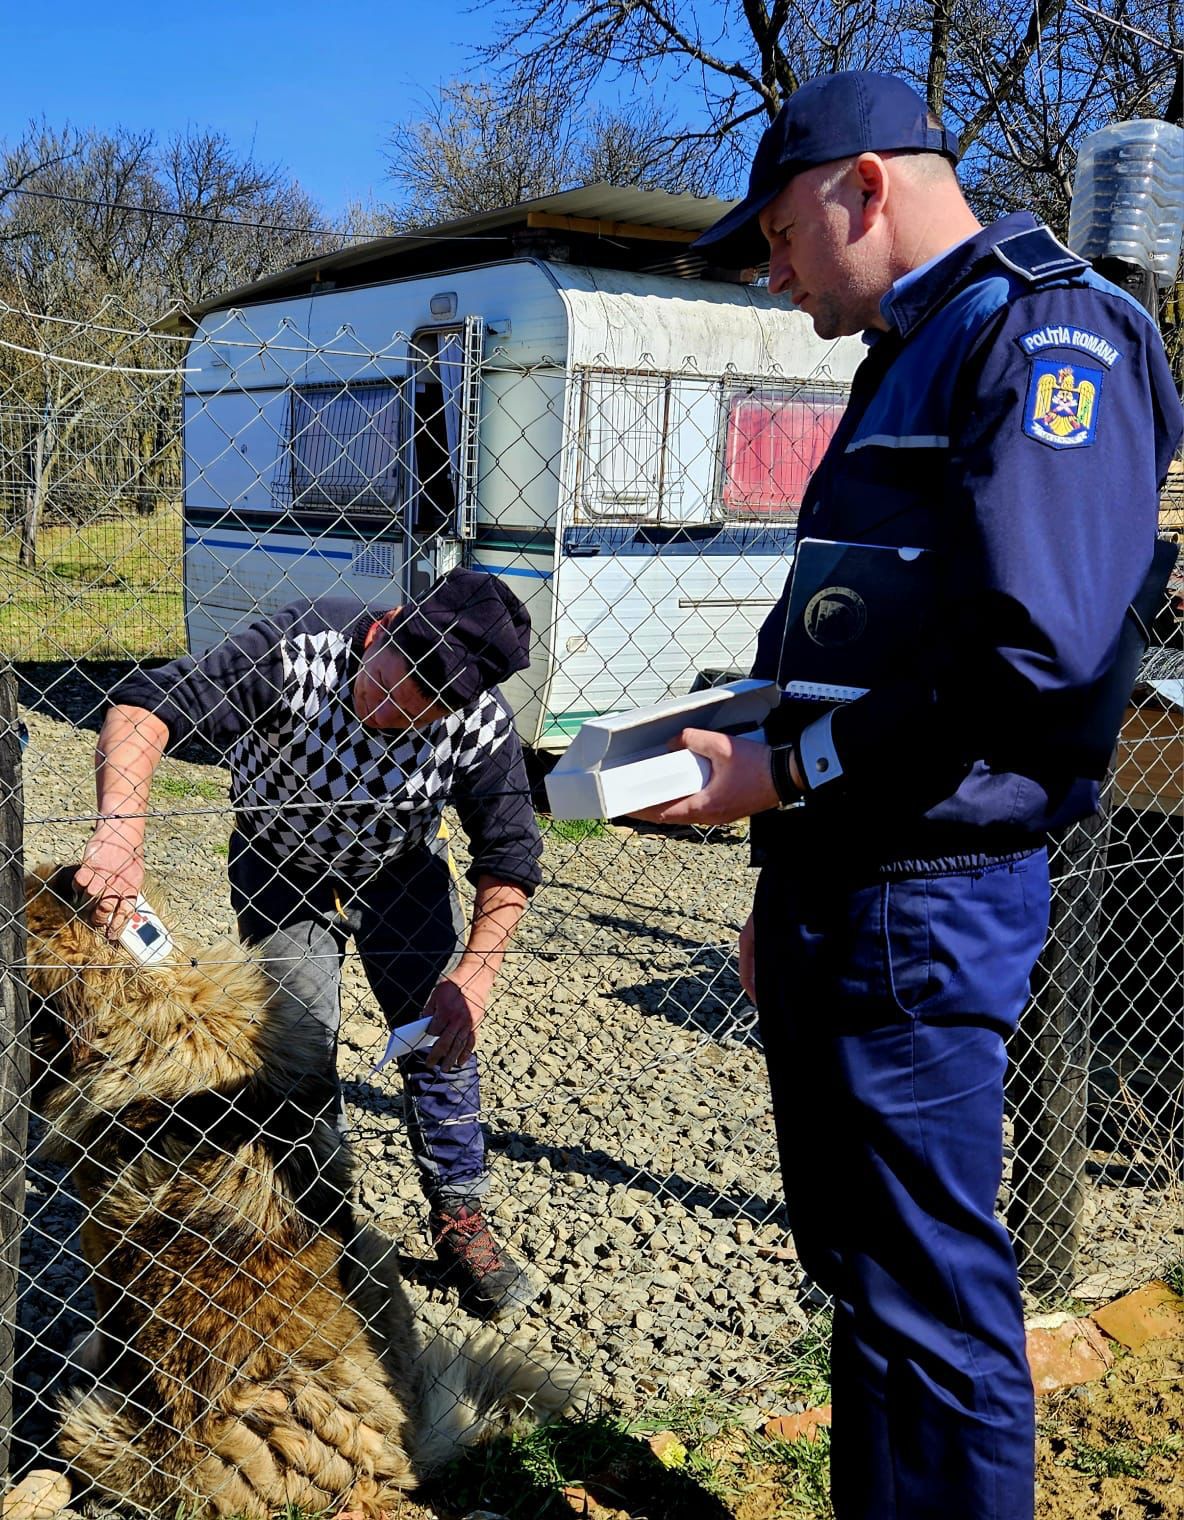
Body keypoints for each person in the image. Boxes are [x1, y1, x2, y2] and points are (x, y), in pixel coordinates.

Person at [638, 72, 1184, 1520]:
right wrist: (776, 871)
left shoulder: (1047, 333)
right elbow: (864, 638)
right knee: (871, 1286)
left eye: (776, 234)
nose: (772, 272)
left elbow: (1041, 657)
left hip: (925, 901)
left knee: (935, 1311)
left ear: (862, 185)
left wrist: (786, 776)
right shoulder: (920, 347)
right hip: (845, 892)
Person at [75, 567, 544, 1320]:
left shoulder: (478, 723)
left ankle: (461, 1215)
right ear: (388, 625)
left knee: (438, 1034)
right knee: (299, 1042)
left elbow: (511, 855)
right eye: (393, 681)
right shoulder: (297, 651)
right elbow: (145, 705)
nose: (393, 710)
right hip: (280, 863)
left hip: (397, 870)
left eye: (422, 712)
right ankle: (320, 1215)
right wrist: (121, 835)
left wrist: (476, 976)